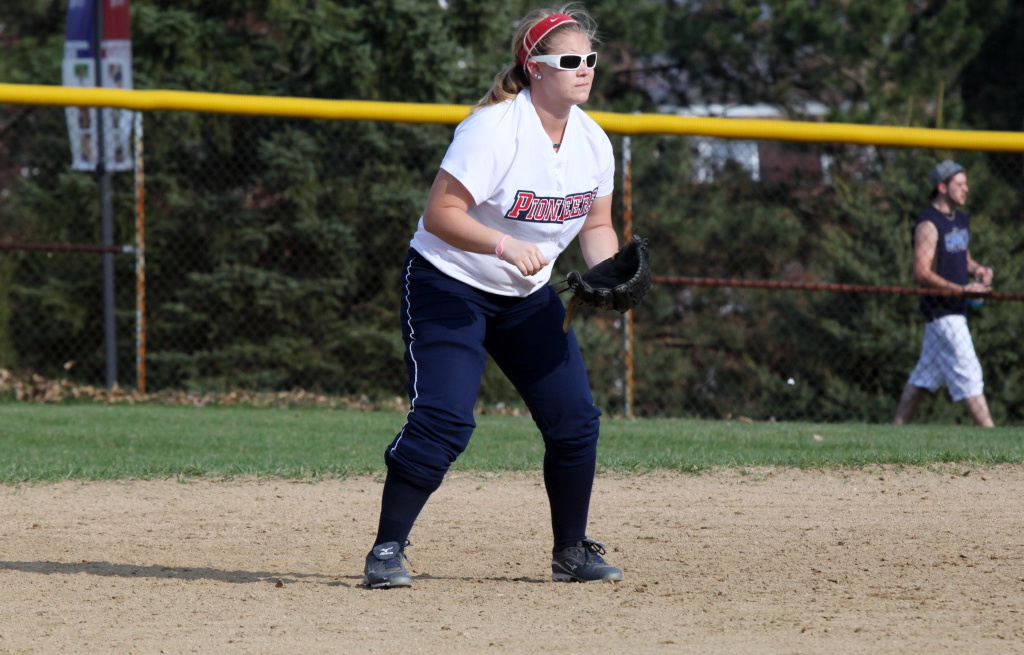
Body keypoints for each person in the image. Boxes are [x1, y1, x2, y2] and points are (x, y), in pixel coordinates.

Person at [362, 4, 625, 588]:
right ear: (533, 68)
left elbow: (596, 225)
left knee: (575, 421)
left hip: (526, 297)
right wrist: (504, 246)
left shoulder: (593, 141)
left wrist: (608, 274)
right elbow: (440, 216)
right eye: (569, 60)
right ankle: (386, 549)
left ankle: (571, 551)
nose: (584, 69)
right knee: (445, 419)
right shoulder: (494, 129)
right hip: (448, 283)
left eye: (591, 59)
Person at [893, 160, 995, 427]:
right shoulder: (929, 224)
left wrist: (978, 270)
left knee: (923, 378)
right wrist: (962, 289)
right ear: (942, 186)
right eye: (959, 184)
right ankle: (990, 432)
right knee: (970, 372)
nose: (966, 189)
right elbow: (921, 272)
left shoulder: (961, 220)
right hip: (942, 312)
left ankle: (896, 428)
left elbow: (964, 259)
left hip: (955, 310)